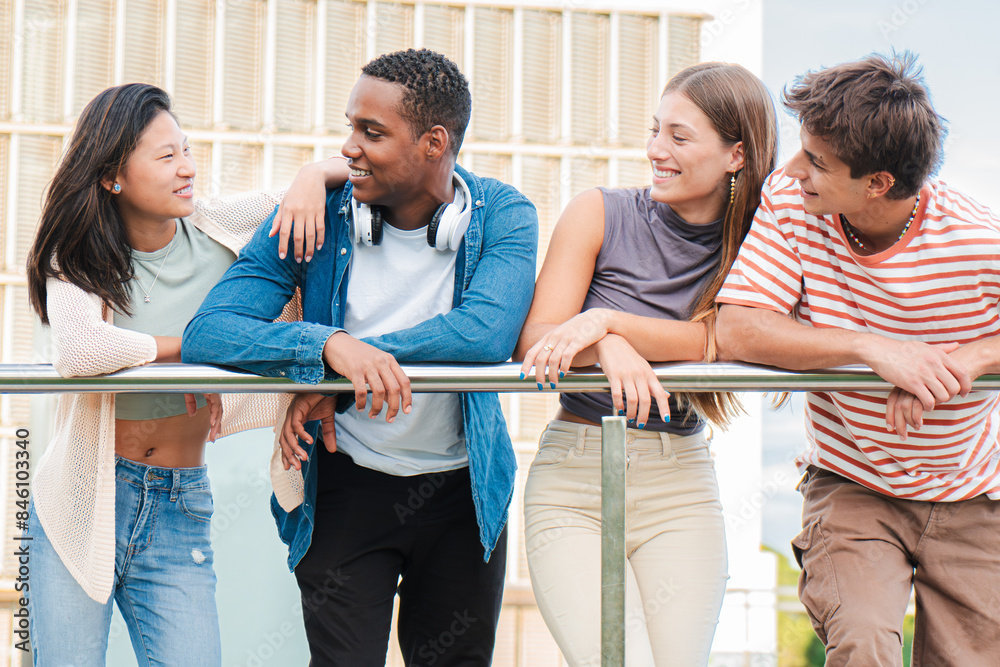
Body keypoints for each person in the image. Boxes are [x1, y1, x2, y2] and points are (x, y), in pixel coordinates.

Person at [182, 48, 538, 666]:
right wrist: (327, 347)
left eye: (371, 132)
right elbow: (209, 333)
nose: (349, 146)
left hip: (463, 493)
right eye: (349, 125)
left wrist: (348, 372)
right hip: (346, 486)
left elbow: (484, 333)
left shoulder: (505, 215)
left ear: (434, 142)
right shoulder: (312, 217)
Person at [24, 83, 345, 665]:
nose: (187, 169)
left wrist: (307, 176)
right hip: (83, 498)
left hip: (180, 502)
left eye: (188, 151)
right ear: (111, 176)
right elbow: (81, 350)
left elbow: (343, 174)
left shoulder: (224, 227)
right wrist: (201, 350)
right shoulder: (76, 255)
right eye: (165, 156)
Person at [716, 53, 1000, 666]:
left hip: (974, 493)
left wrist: (968, 360)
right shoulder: (792, 205)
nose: (790, 171)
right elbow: (739, 328)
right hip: (853, 483)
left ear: (877, 183)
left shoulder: (978, 242)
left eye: (816, 162)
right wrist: (876, 350)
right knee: (864, 642)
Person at [514, 62, 778, 666]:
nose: (656, 150)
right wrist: (606, 347)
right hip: (574, 479)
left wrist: (609, 322)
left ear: (736, 155)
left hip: (680, 481)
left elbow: (729, 338)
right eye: (656, 130)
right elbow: (537, 341)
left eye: (679, 137)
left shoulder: (759, 242)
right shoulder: (599, 212)